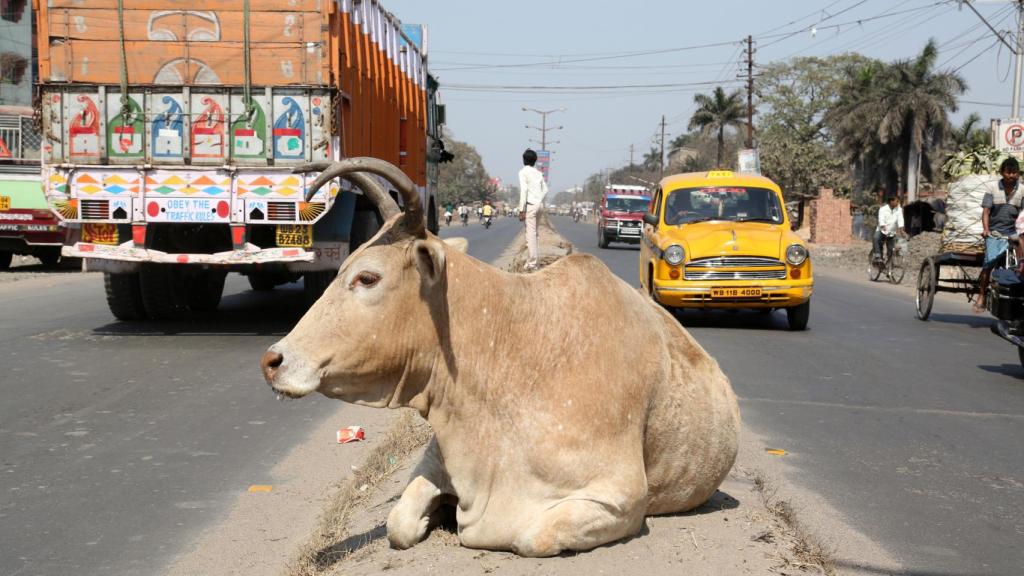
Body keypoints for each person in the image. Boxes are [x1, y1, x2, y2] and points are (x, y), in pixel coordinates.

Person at [976, 157, 1023, 312]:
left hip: (1014, 232)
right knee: (988, 264)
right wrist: (986, 230)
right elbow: (986, 211)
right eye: (1008, 172)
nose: (1011, 176)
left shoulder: (1022, 190)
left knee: (1019, 264)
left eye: (1014, 173)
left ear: (1018, 173)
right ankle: (981, 295)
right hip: (995, 233)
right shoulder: (992, 188)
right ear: (1002, 172)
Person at [518, 148, 549, 270]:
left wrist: (521, 210)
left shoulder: (523, 172)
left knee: (530, 234)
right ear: (535, 161)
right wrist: (539, 199)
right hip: (539, 205)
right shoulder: (538, 173)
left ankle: (532, 263)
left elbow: (524, 191)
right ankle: (534, 261)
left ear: (524, 160)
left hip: (531, 205)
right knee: (535, 234)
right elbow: (545, 189)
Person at [873, 195, 905, 263]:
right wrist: (882, 225)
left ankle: (889, 265)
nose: (898, 203)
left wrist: (901, 230)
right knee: (876, 238)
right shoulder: (883, 209)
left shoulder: (899, 210)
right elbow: (881, 219)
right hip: (882, 230)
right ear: (891, 201)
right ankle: (877, 256)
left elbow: (900, 220)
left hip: (891, 232)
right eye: (897, 201)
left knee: (891, 250)